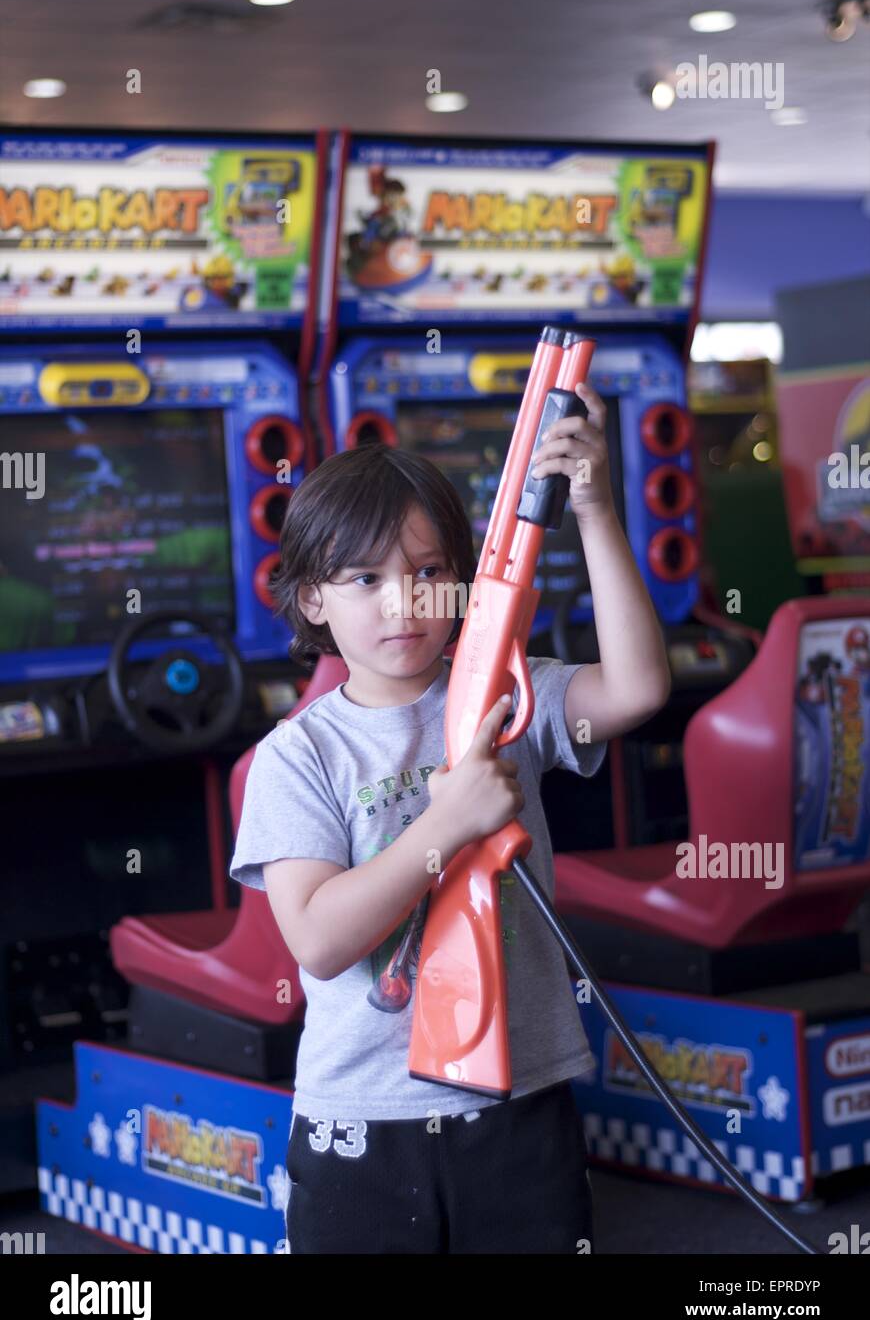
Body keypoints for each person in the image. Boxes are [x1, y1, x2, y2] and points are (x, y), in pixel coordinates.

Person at [229, 380, 672, 1253]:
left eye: (430, 572)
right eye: (365, 578)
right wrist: (446, 826)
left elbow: (638, 687)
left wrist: (595, 513)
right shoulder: (300, 754)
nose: (406, 603)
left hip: (519, 1101)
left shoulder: (511, 694)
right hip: (362, 1123)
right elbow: (318, 939)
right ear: (313, 597)